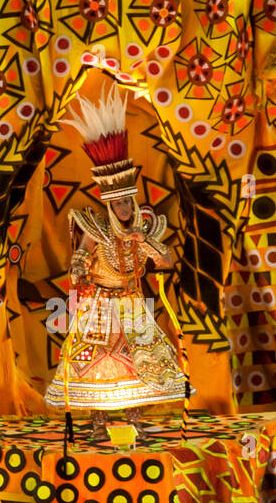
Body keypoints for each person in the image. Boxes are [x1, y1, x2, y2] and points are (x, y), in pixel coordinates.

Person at [43, 86, 186, 441]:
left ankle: (135, 418)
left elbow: (167, 260)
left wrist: (146, 241)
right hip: (99, 303)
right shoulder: (97, 228)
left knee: (140, 358)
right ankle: (96, 422)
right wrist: (77, 271)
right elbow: (78, 255)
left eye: (127, 203)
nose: (123, 210)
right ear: (109, 206)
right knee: (96, 361)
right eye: (118, 205)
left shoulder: (148, 226)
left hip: (133, 303)